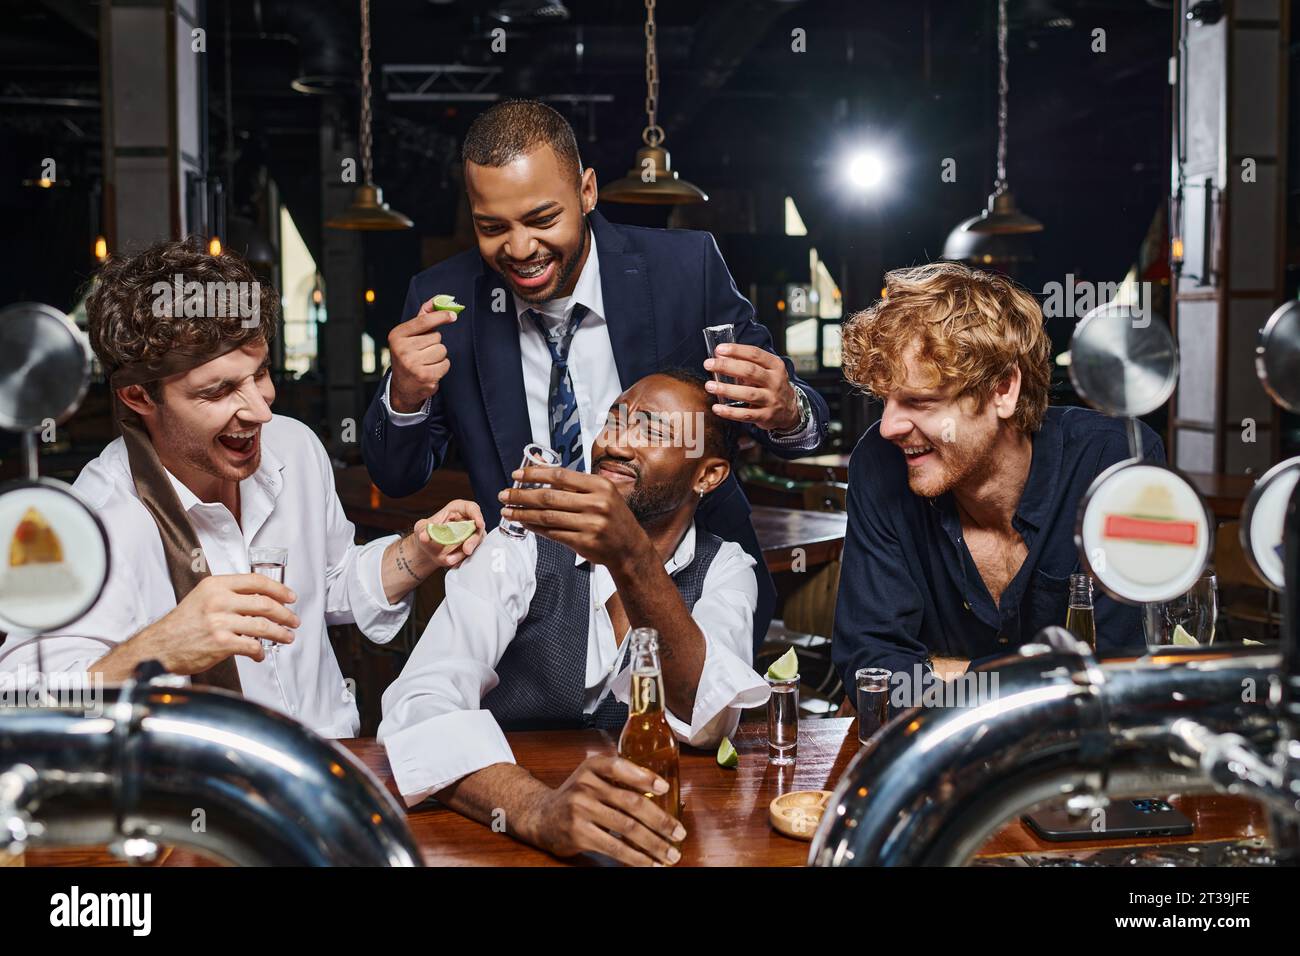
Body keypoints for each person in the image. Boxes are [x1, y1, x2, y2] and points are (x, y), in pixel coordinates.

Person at [361, 99, 829, 650]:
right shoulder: (444, 301)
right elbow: (396, 477)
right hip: (526, 616)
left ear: (587, 192)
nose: (520, 249)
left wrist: (787, 409)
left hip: (689, 589)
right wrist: (405, 396)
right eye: (493, 227)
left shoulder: (685, 268)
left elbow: (798, 422)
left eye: (542, 219)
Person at [0, 238, 483, 738]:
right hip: (196, 798)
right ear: (138, 395)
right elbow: (21, 699)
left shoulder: (294, 447)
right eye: (220, 391)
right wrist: (158, 648)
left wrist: (418, 553)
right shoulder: (93, 520)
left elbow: (328, 581)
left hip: (328, 759)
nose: (261, 410)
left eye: (260, 374)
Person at [378, 370, 768, 866]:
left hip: (661, 835)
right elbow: (419, 702)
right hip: (496, 838)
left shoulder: (726, 569)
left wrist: (633, 559)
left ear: (707, 475)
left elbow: (708, 721)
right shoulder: (520, 544)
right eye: (613, 420)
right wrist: (536, 809)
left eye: (652, 430)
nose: (614, 443)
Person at [831, 262, 1161, 693]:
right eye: (886, 401)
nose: (889, 426)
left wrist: (951, 672)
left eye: (921, 401)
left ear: (1002, 390)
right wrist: (1043, 677)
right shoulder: (878, 464)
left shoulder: (1115, 462)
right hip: (949, 756)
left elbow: (1128, 675)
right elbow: (870, 669)